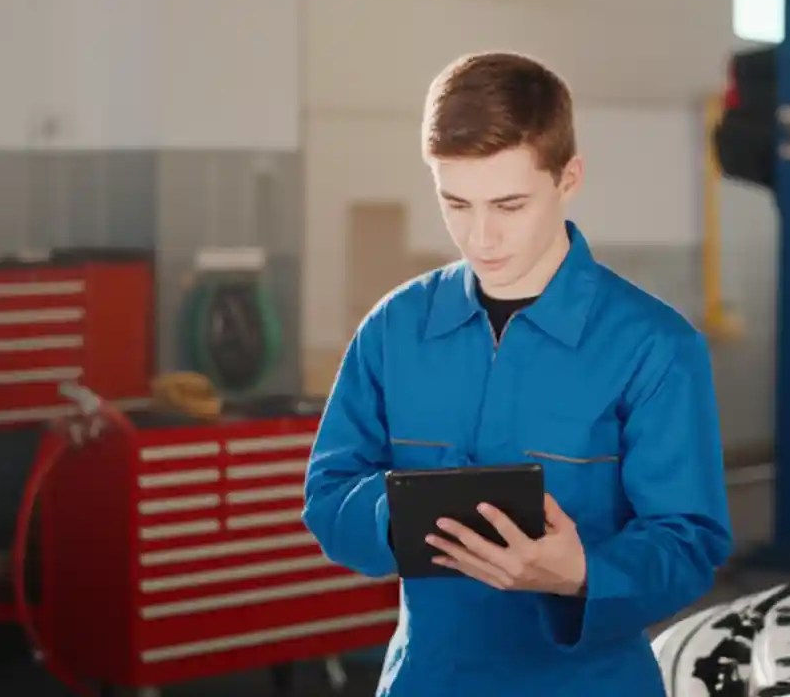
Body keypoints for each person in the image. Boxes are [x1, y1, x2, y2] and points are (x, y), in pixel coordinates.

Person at [302, 51, 733, 697]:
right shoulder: (394, 330)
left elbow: (689, 541)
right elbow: (329, 492)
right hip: (428, 682)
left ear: (569, 178)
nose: (482, 238)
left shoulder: (654, 347)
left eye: (509, 205)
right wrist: (399, 519)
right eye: (457, 203)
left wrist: (583, 571)